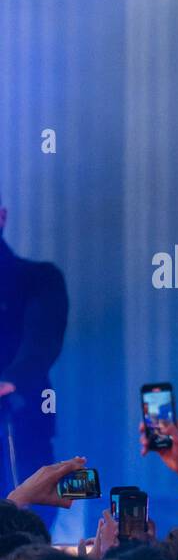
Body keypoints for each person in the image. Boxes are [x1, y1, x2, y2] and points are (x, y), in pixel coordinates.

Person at [0, 189, 69, 506]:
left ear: (1, 218)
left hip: (20, 424)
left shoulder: (39, 279)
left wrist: (10, 380)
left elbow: (41, 341)